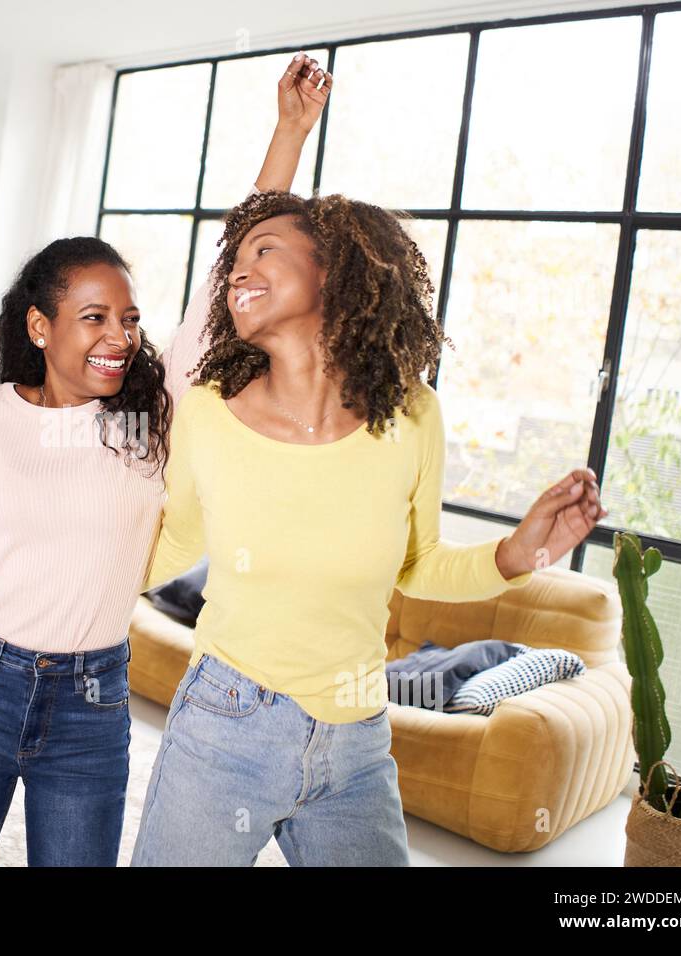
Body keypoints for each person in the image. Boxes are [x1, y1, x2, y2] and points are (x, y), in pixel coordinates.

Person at [0, 53, 333, 866]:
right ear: (40, 327)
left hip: (93, 699)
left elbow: (225, 273)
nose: (118, 337)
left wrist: (288, 131)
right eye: (93, 316)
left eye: (128, 318)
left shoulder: (150, 412)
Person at [129, 181, 609, 866]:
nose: (238, 268)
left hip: (355, 742)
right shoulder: (210, 410)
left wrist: (515, 553)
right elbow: (175, 538)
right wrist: (71, 584)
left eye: (263, 249)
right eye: (234, 257)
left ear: (332, 270)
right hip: (224, 727)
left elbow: (419, 565)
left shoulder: (412, 415)